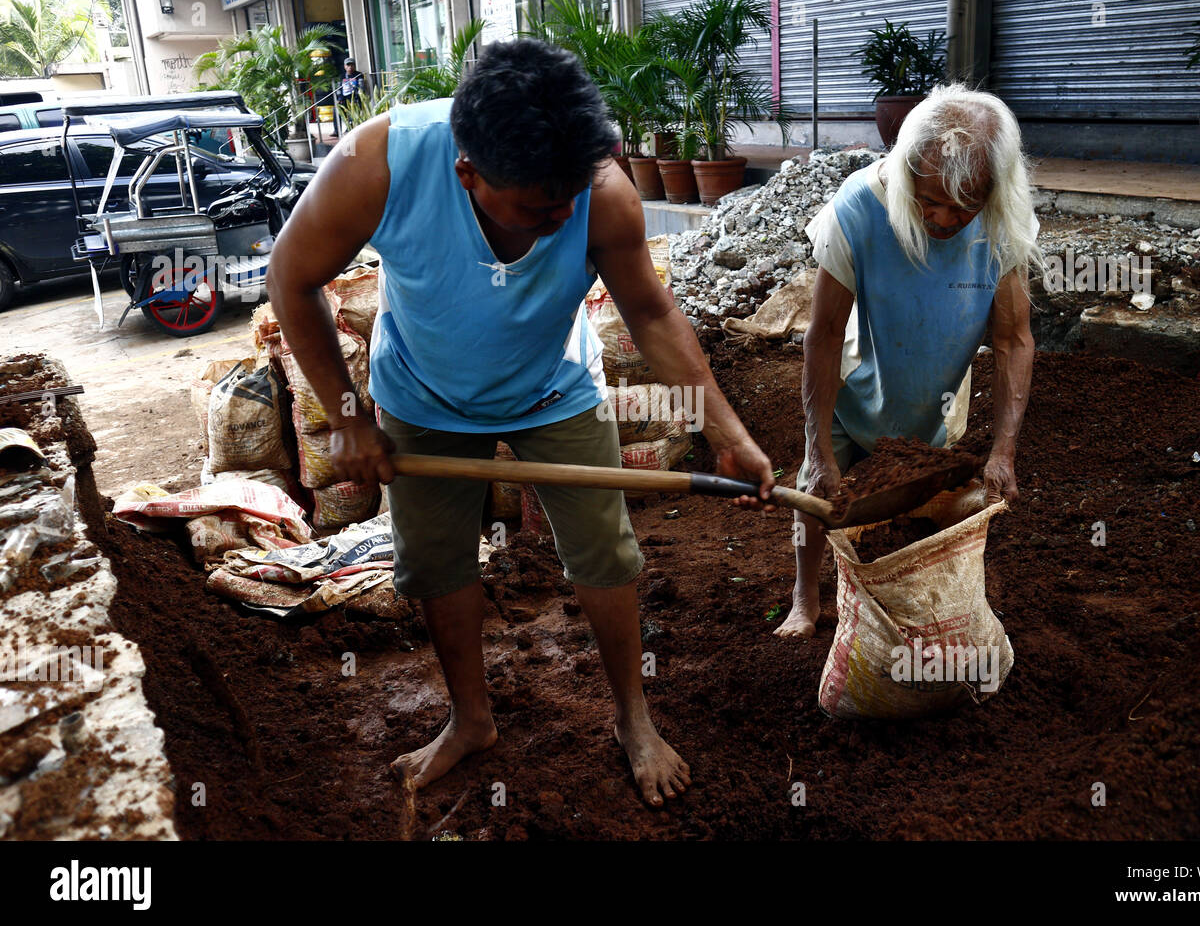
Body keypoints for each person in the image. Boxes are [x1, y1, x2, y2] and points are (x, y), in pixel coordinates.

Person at [266, 39, 776, 806]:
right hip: (420, 396)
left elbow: (649, 311)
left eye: (570, 195)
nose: (562, 216)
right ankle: (470, 721)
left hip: (553, 390)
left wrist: (727, 433)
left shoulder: (599, 193)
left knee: (605, 551)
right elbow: (290, 279)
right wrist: (347, 416)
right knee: (438, 565)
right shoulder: (378, 164)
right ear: (469, 172)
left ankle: (632, 717)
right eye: (540, 206)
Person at [775, 83, 1040, 639]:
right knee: (815, 494)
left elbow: (1014, 339)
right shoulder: (858, 206)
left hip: (936, 395)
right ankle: (805, 593)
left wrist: (1003, 451)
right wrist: (817, 446)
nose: (943, 219)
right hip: (854, 384)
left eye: (962, 207)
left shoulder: (1003, 221)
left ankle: (907, 602)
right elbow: (822, 334)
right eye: (929, 201)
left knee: (923, 506)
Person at [334, 57, 367, 136]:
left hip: (354, 98)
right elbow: (339, 88)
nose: (350, 67)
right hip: (344, 98)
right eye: (348, 65)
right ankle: (336, 130)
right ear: (345, 66)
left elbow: (361, 88)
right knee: (336, 110)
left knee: (353, 111)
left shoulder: (359, 75)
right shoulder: (342, 76)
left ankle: (350, 128)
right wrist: (339, 98)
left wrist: (357, 97)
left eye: (352, 65)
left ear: (354, 66)